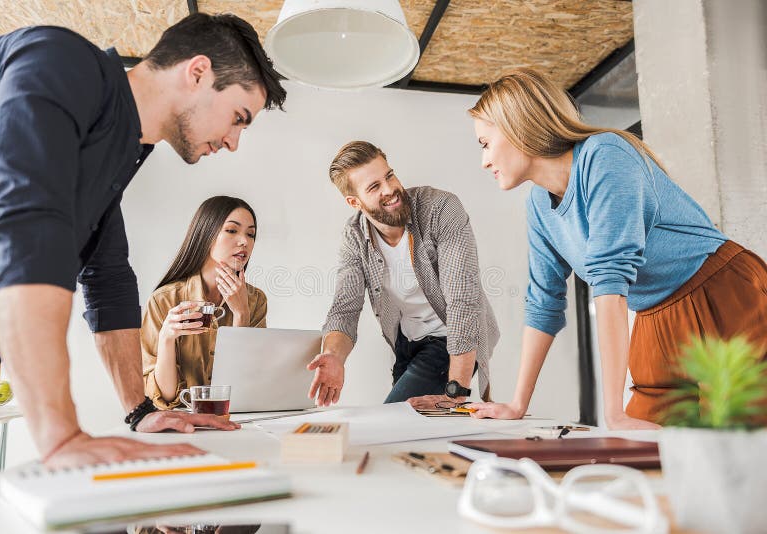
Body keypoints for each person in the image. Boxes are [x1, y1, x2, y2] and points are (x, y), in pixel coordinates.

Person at [0, 12, 287, 467]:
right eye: (239, 118)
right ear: (197, 72)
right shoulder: (59, 61)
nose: (234, 141)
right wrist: (60, 438)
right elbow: (27, 235)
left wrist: (141, 412)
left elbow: (108, 279)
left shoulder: (115, 156)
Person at [466, 68, 767, 429]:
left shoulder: (604, 155)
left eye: (485, 143)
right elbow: (543, 301)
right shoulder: (538, 208)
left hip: (719, 292)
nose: (483, 161)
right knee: (645, 449)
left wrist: (613, 414)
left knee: (737, 445)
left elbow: (610, 281)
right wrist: (517, 404)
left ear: (518, 126)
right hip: (654, 316)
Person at [309, 141, 499, 408]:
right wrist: (333, 355)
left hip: (449, 339)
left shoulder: (440, 208)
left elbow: (463, 302)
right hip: (405, 344)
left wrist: (456, 393)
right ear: (354, 202)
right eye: (374, 187)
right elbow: (345, 308)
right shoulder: (354, 236)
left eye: (389, 176)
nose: (390, 189)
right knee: (414, 430)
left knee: (395, 418)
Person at [142, 196, 267, 409]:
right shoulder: (164, 300)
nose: (244, 241)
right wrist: (166, 338)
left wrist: (241, 315)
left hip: (235, 421)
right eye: (232, 230)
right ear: (206, 234)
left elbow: (245, 385)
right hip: (181, 424)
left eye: (251, 234)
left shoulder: (255, 300)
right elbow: (165, 396)